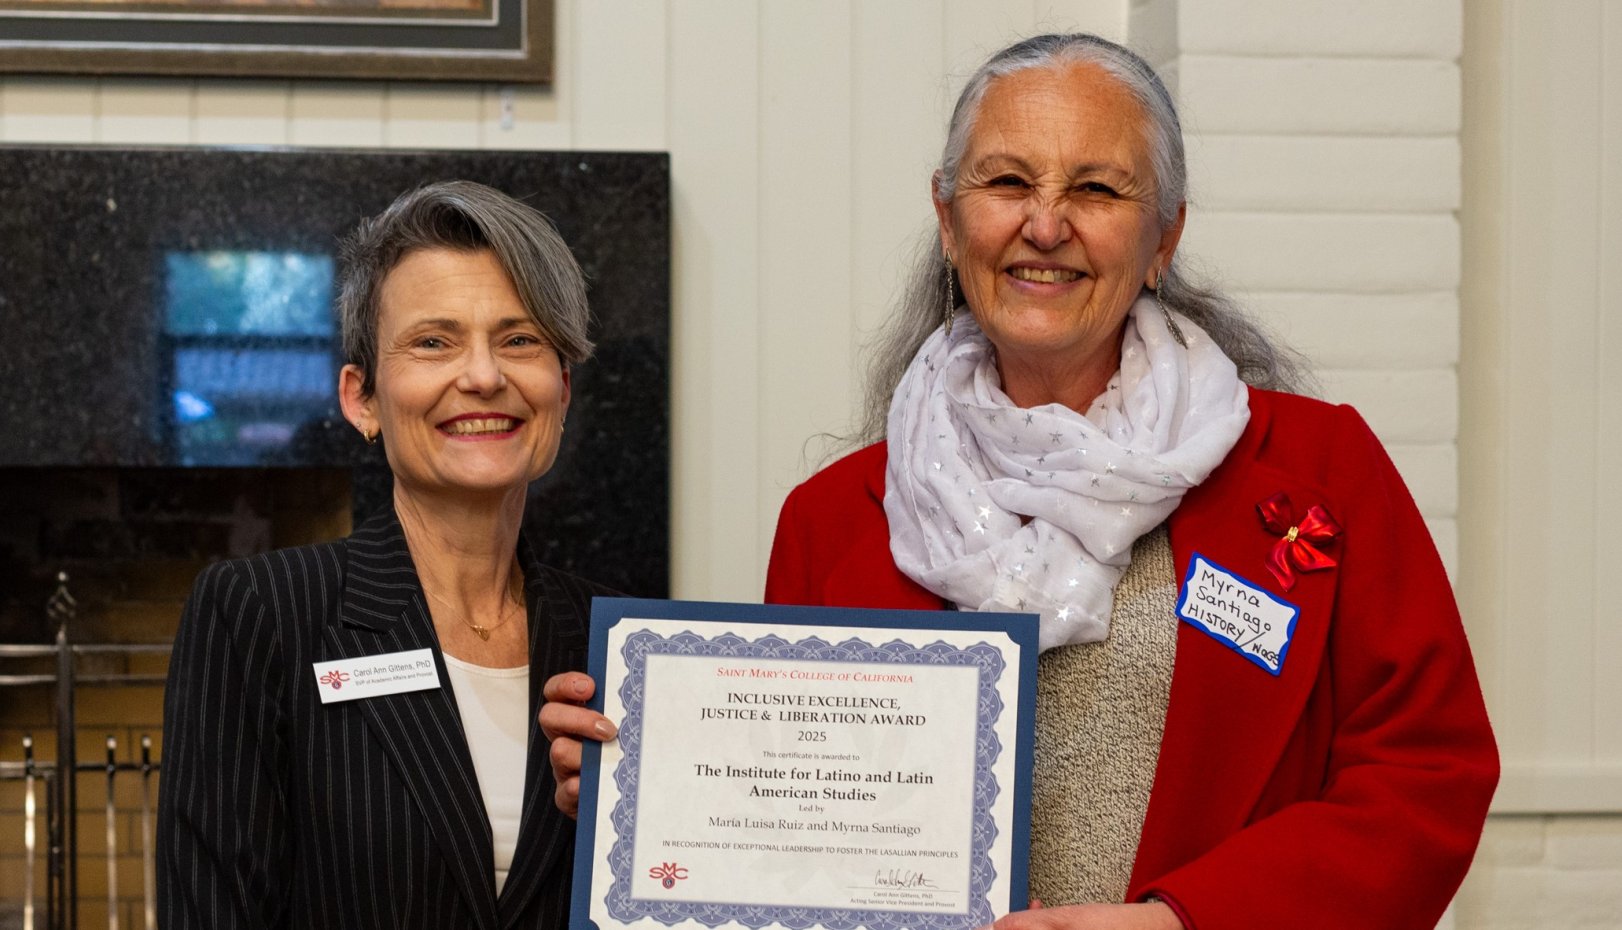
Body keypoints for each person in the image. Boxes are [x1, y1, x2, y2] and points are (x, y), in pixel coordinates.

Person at [544, 33, 1497, 930]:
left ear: (1164, 238)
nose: (1046, 224)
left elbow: (1427, 773)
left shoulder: (1317, 468)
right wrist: (658, 783)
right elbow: (806, 820)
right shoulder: (833, 520)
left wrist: (1184, 921)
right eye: (1006, 181)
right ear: (949, 220)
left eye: (1097, 188)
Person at [159, 180, 615, 929]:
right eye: (434, 341)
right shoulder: (261, 615)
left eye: (520, 339)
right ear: (361, 398)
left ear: (560, 390)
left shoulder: (612, 639)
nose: (483, 376)